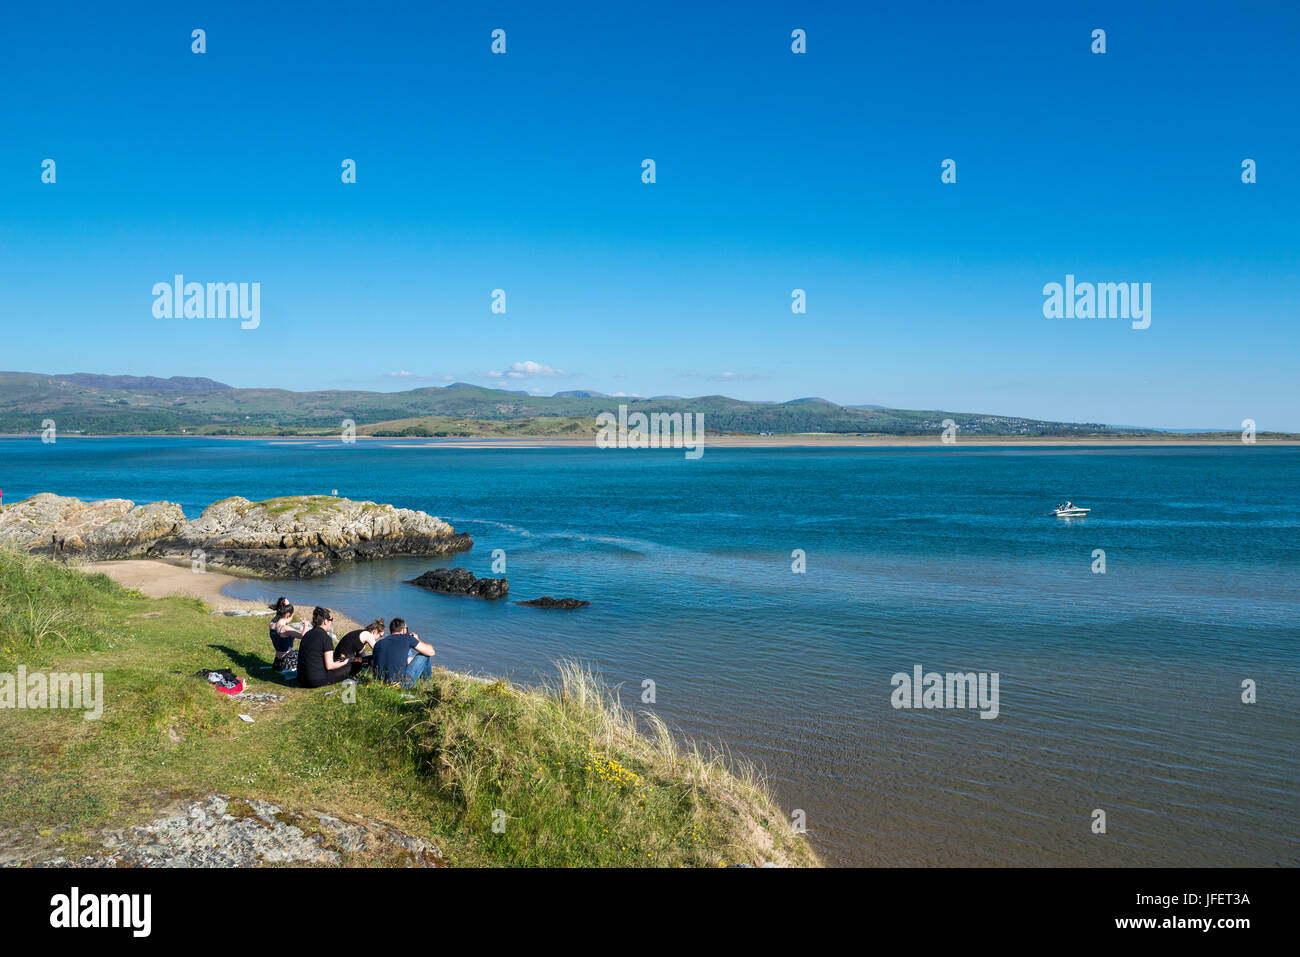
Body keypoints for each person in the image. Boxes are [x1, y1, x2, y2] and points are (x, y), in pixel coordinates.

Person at [297, 607, 363, 688]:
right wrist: (345, 662)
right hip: (315, 681)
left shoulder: (307, 634)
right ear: (325, 621)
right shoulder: (326, 638)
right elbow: (330, 666)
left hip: (301, 679)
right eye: (331, 620)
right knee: (356, 665)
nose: (331, 622)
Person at [371, 618, 435, 687]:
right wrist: (417, 639)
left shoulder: (378, 643)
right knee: (424, 655)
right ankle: (427, 686)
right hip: (399, 685)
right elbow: (431, 652)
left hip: (379, 683)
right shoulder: (407, 638)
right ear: (404, 629)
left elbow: (373, 663)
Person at [268, 598, 306, 670]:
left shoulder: (272, 624)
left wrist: (284, 605)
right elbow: (302, 636)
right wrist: (306, 624)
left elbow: (278, 615)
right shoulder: (285, 629)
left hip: (277, 662)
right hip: (286, 662)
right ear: (288, 615)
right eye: (292, 616)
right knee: (305, 652)